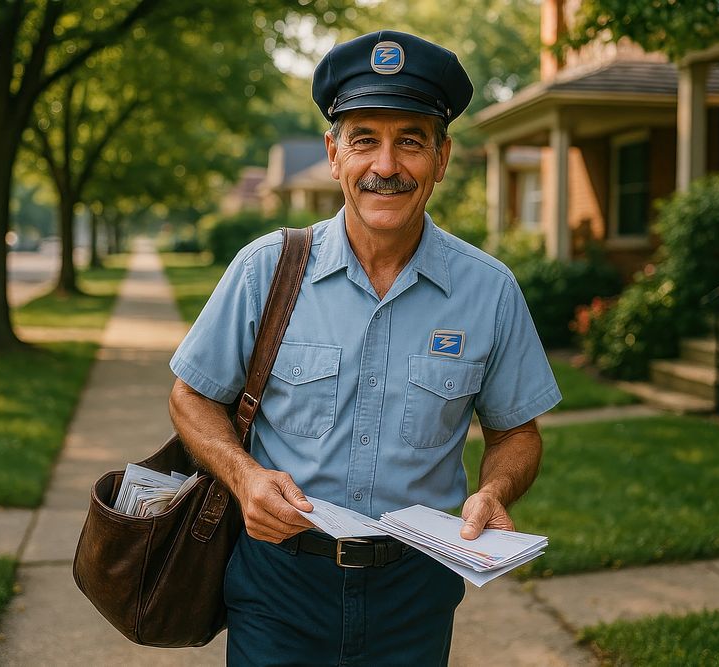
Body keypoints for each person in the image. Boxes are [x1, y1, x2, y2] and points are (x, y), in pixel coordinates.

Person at [168, 30, 561, 666]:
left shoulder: (489, 291)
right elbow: (190, 396)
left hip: (417, 590)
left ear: (442, 156)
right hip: (278, 583)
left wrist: (495, 492)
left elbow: (518, 433)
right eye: (364, 140)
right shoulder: (265, 270)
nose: (386, 165)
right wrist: (244, 478)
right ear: (333, 153)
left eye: (410, 139)